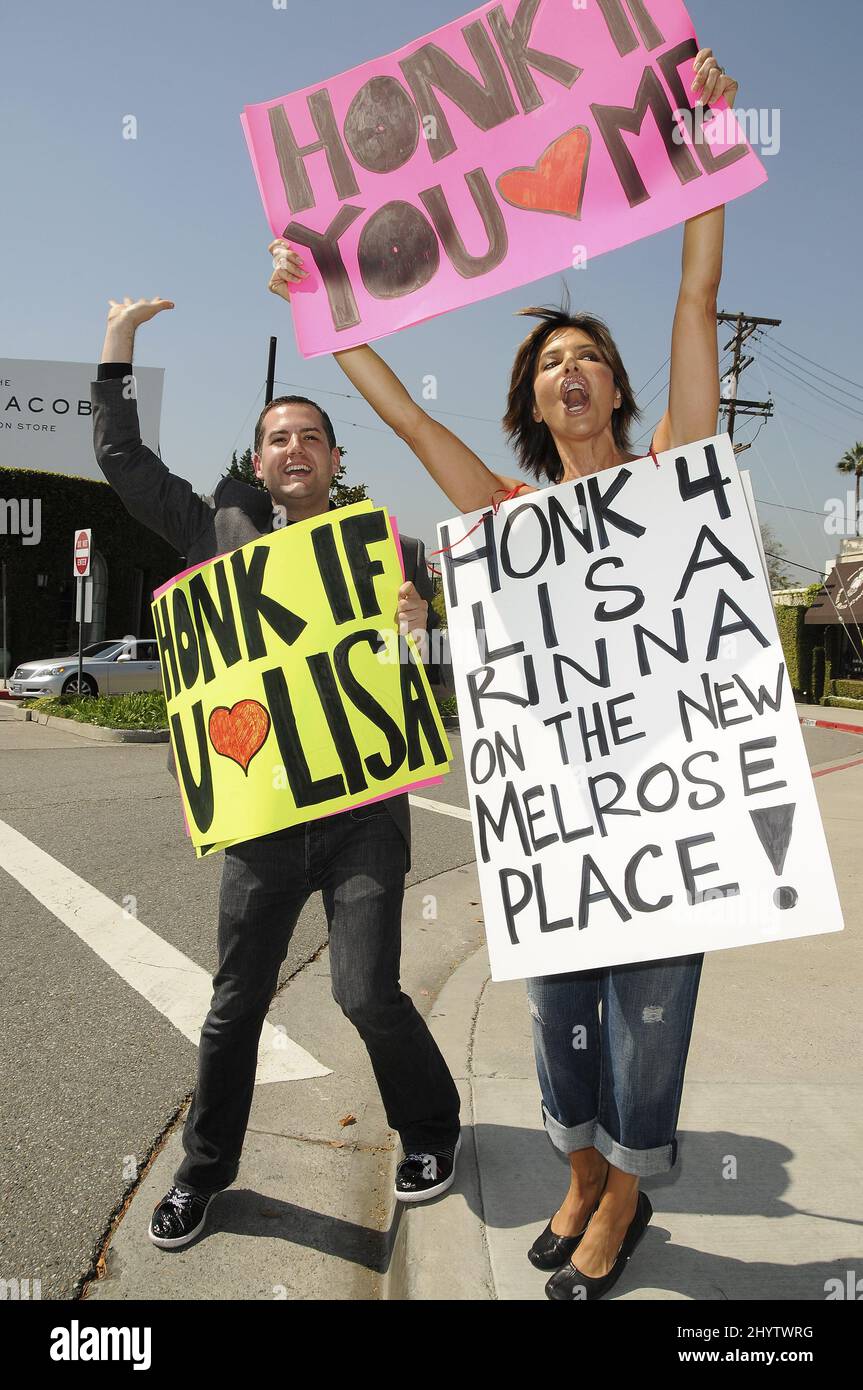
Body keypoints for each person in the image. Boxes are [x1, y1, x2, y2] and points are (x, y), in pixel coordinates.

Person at [268, 46, 736, 1301]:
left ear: (619, 386)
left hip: (668, 802)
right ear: (532, 401)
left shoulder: (672, 470)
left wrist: (695, 141)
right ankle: (578, 1171)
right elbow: (412, 426)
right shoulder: (509, 511)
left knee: (646, 1015)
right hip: (556, 814)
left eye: (584, 355)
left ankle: (622, 1199)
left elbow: (695, 297)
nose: (566, 370)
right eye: (545, 363)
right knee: (557, 1012)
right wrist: (329, 311)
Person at [91, 297, 462, 1249]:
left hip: (363, 817)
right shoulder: (218, 543)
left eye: (310, 436)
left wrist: (424, 641)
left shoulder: (395, 555)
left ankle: (429, 1127)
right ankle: (203, 1174)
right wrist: (118, 345)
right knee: (233, 1006)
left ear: (335, 461)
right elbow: (124, 465)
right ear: (257, 463)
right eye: (275, 438)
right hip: (261, 819)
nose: (292, 448)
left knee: (364, 992)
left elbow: (432, 691)